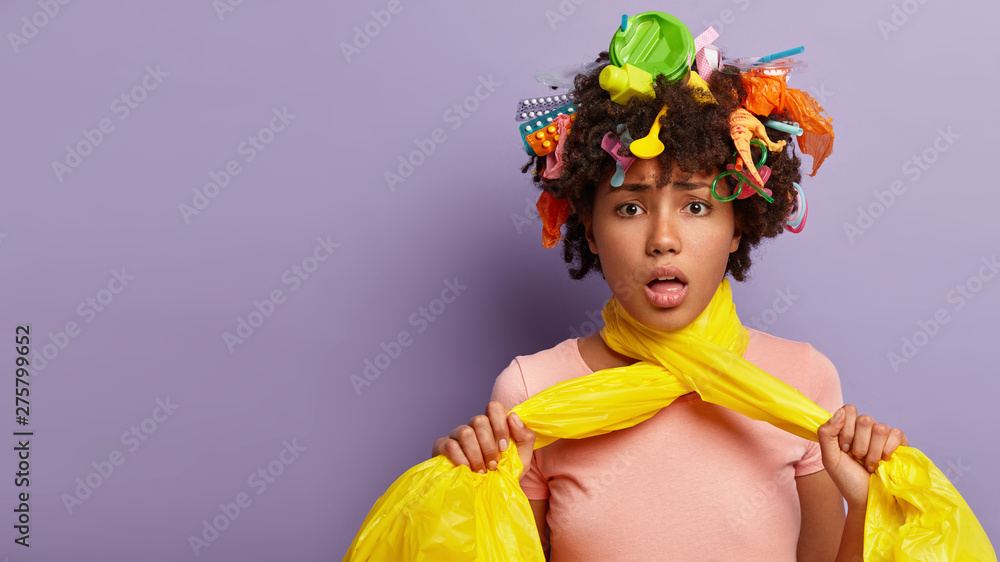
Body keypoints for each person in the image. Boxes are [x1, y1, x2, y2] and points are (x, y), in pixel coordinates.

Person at [430, 18, 908, 561]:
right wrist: (468, 495)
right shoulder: (529, 393)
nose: (662, 239)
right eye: (630, 207)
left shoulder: (804, 380)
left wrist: (869, 503)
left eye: (697, 206)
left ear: (739, 227)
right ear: (589, 226)